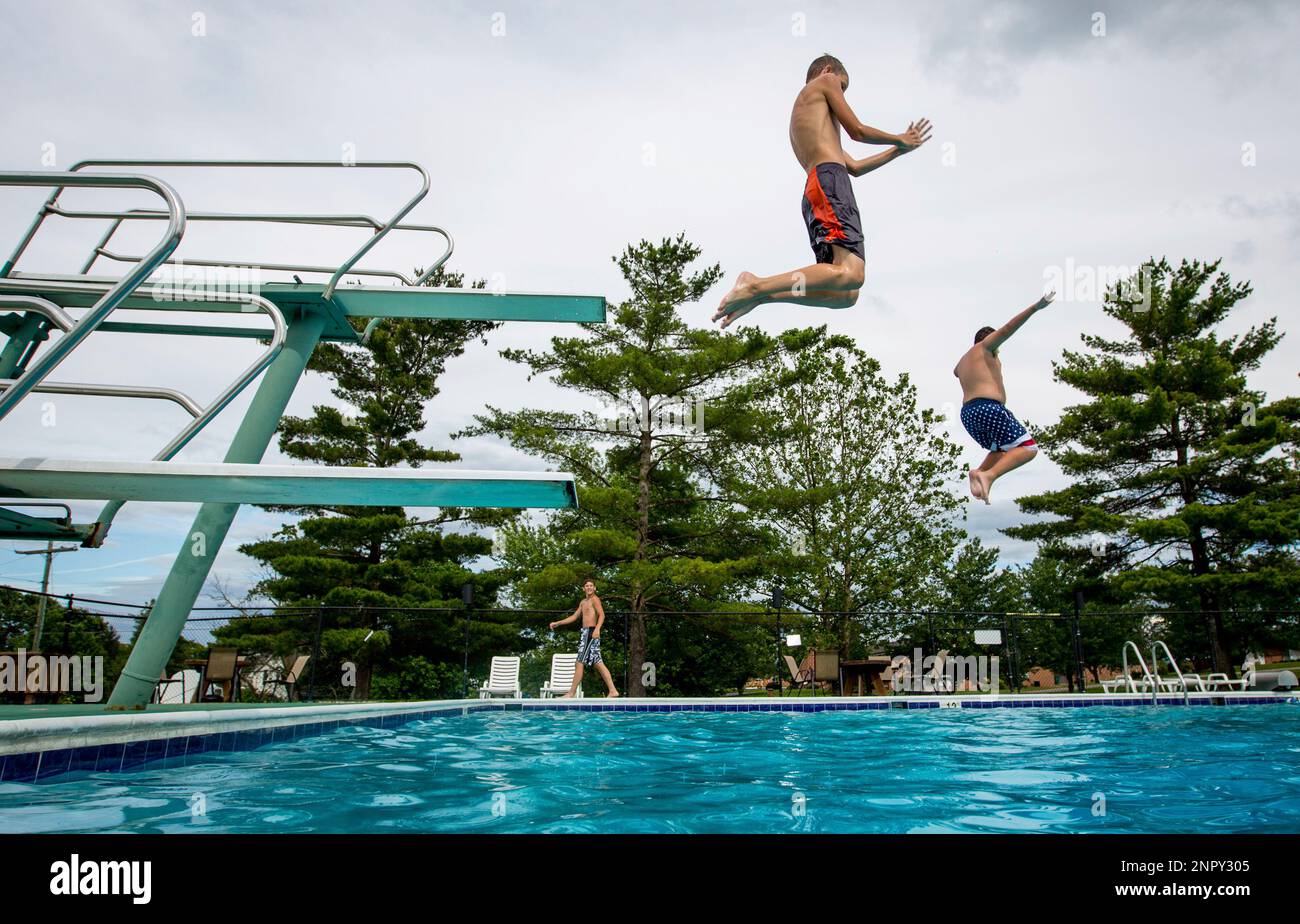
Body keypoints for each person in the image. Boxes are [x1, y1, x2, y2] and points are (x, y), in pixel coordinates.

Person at [712, 53, 931, 328]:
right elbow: (858, 131)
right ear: (828, 71)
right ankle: (756, 284)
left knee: (847, 294)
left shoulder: (810, 118)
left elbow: (855, 166)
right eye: (843, 87)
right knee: (852, 274)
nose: (841, 94)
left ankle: (762, 295)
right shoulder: (826, 80)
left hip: (819, 187)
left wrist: (898, 151)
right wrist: (899, 137)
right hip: (830, 183)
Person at [954, 289, 1055, 503]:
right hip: (988, 408)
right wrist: (1036, 307)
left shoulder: (962, 362)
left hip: (969, 415)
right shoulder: (986, 347)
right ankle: (988, 475)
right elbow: (1009, 328)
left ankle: (978, 472)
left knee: (1001, 450)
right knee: (1028, 448)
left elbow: (956, 372)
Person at [548, 579, 620, 698]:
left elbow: (602, 614)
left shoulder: (595, 599)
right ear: (583, 588)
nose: (589, 587)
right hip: (585, 633)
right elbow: (574, 616)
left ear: (595, 588)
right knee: (598, 662)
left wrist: (597, 629)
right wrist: (558, 623)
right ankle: (613, 690)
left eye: (591, 586)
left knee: (579, 662)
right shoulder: (583, 602)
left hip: (591, 632)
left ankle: (571, 693)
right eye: (587, 586)